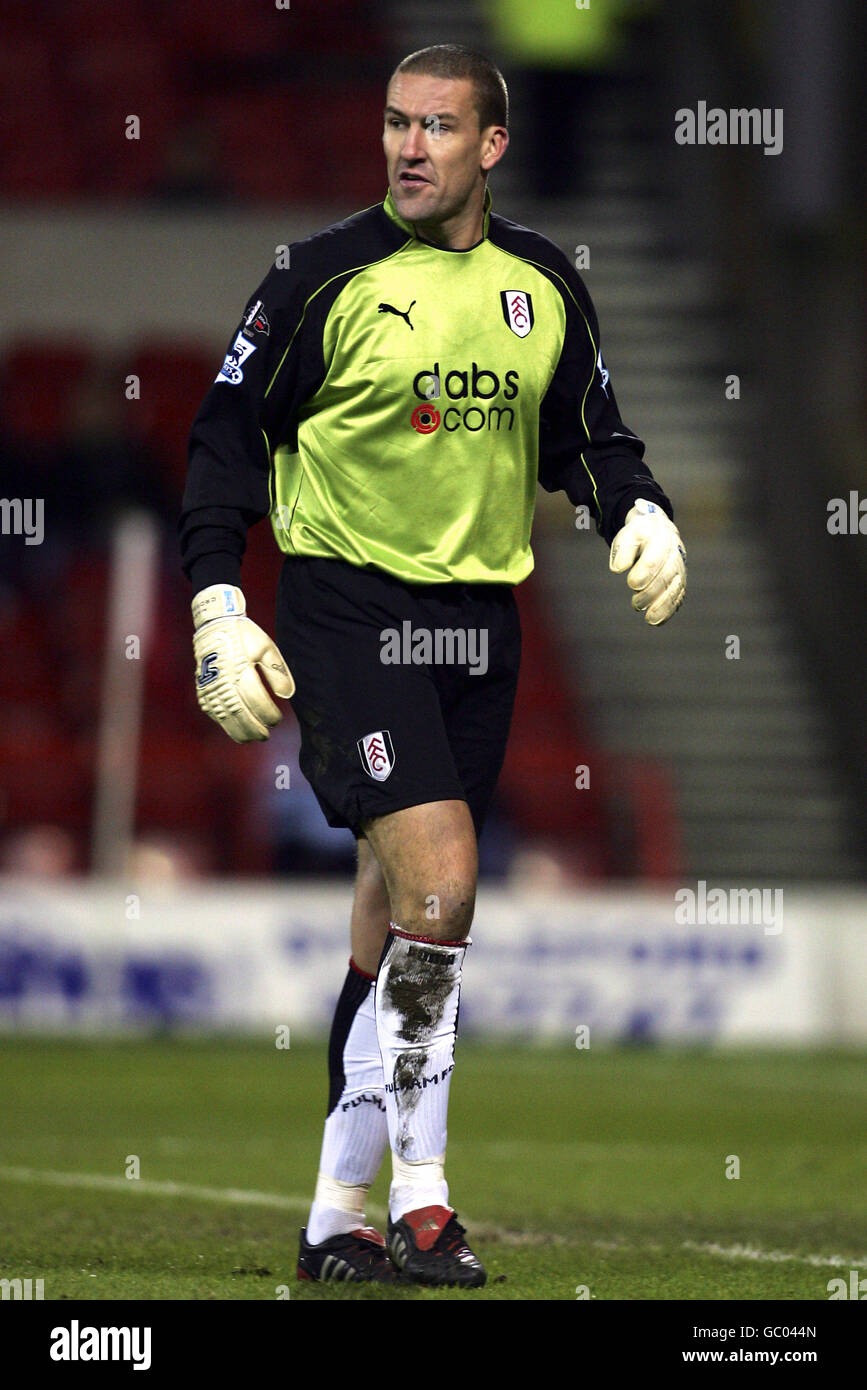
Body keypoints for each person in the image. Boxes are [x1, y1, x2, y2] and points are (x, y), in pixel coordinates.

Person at [179, 44, 686, 1288]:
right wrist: (214, 605)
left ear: (491, 146)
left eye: (439, 128)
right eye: (398, 124)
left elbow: (591, 432)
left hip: (479, 628)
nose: (411, 147)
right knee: (447, 883)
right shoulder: (316, 275)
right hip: (348, 612)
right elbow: (221, 438)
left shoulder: (545, 284)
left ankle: (332, 1217)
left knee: (395, 924)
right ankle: (424, 1204)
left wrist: (642, 505)